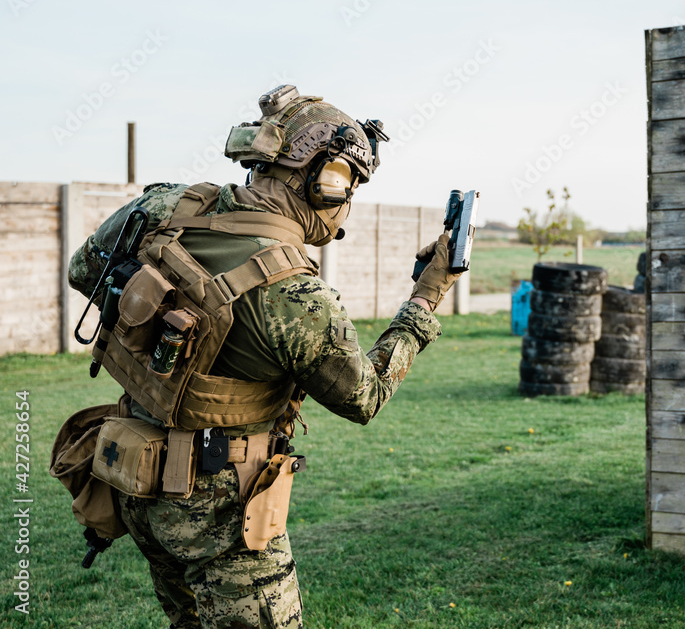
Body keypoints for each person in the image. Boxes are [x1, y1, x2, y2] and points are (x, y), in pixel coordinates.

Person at [66, 85, 459, 628]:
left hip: (136, 480)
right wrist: (424, 298)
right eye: (350, 186)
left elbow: (82, 271)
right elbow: (364, 395)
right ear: (326, 179)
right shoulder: (296, 295)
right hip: (218, 512)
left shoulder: (165, 207)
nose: (347, 204)